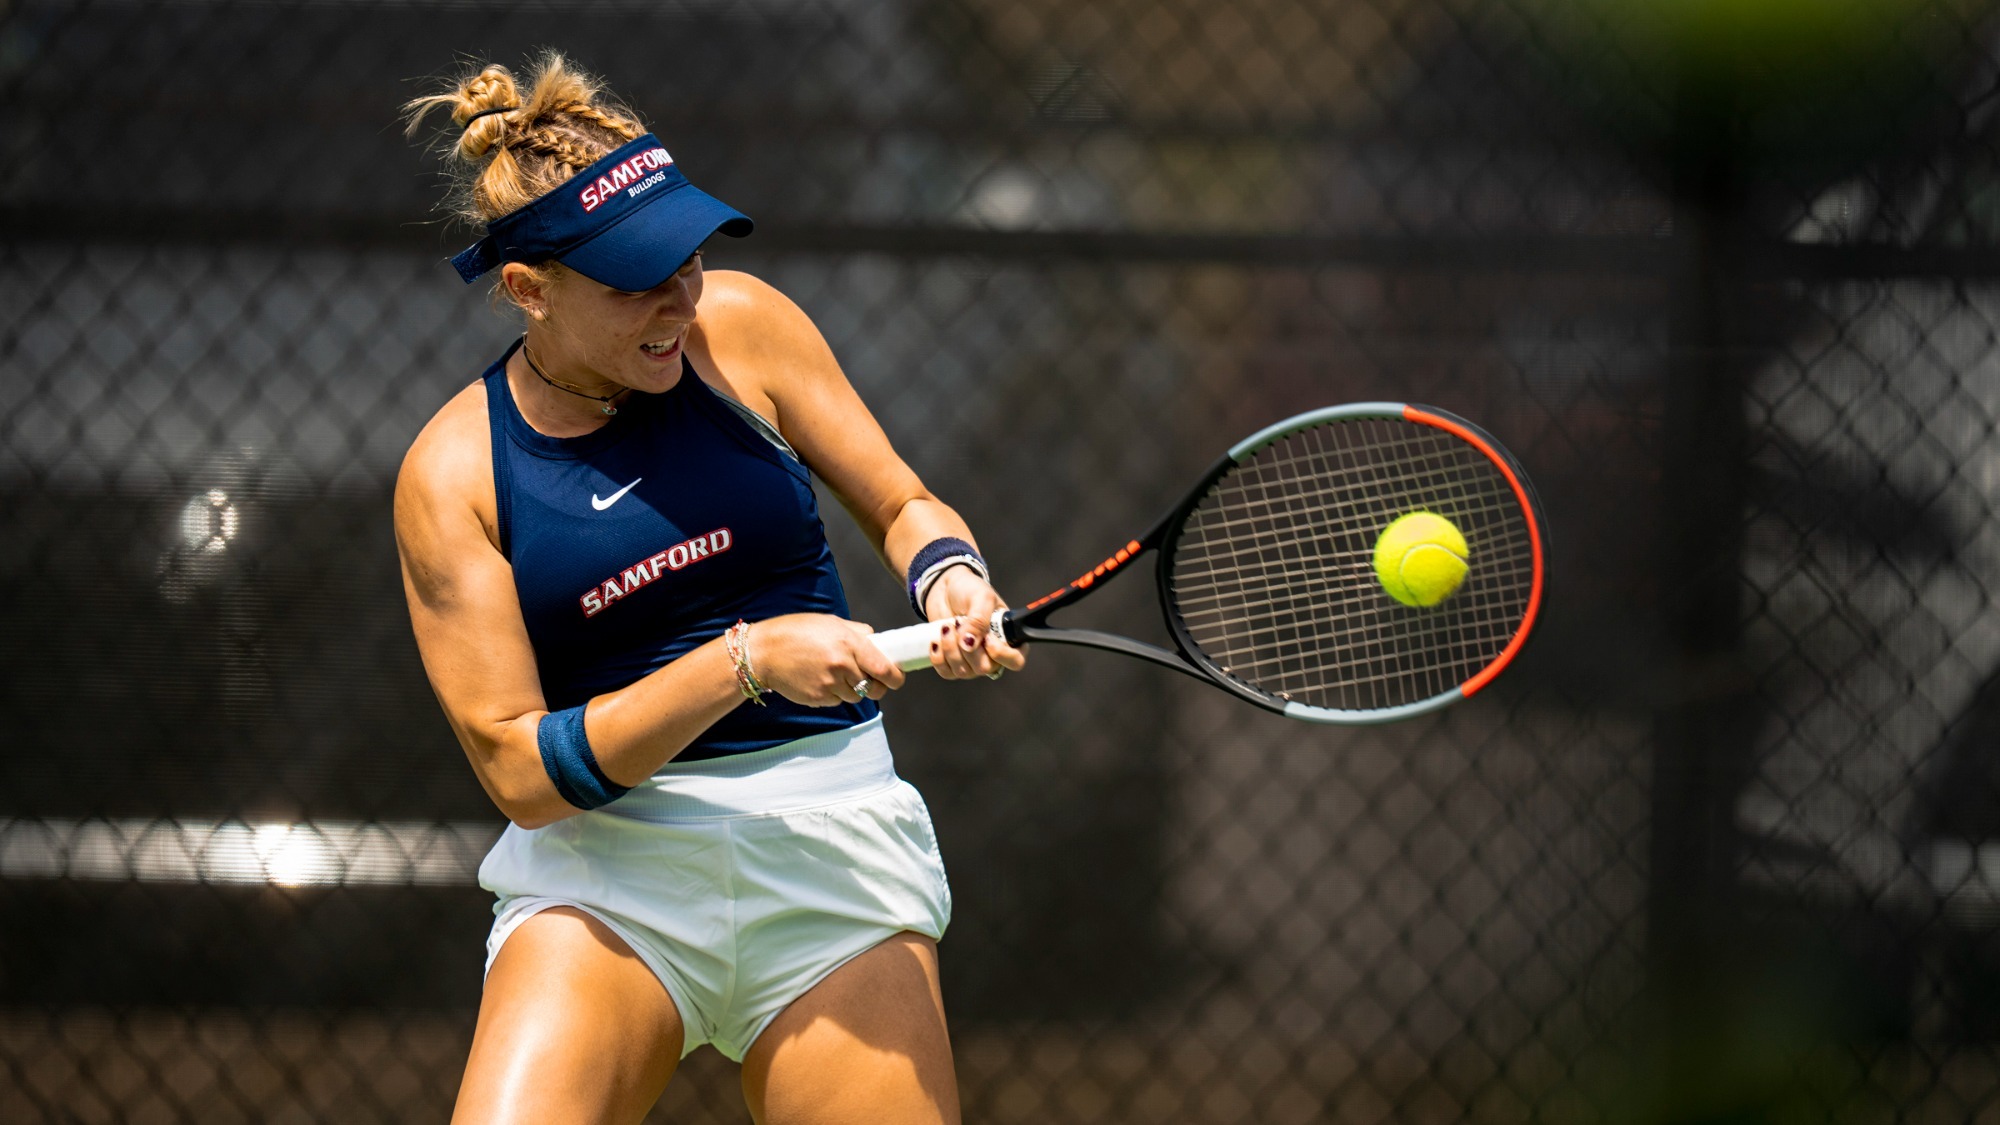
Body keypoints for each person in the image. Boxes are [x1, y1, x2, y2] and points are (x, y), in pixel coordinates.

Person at [394, 52, 1023, 1125]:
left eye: (683, 259)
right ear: (528, 291)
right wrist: (745, 661)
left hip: (832, 852)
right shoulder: (453, 473)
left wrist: (948, 574)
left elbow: (904, 506)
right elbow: (519, 769)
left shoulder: (744, 325)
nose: (677, 299)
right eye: (634, 279)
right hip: (607, 880)